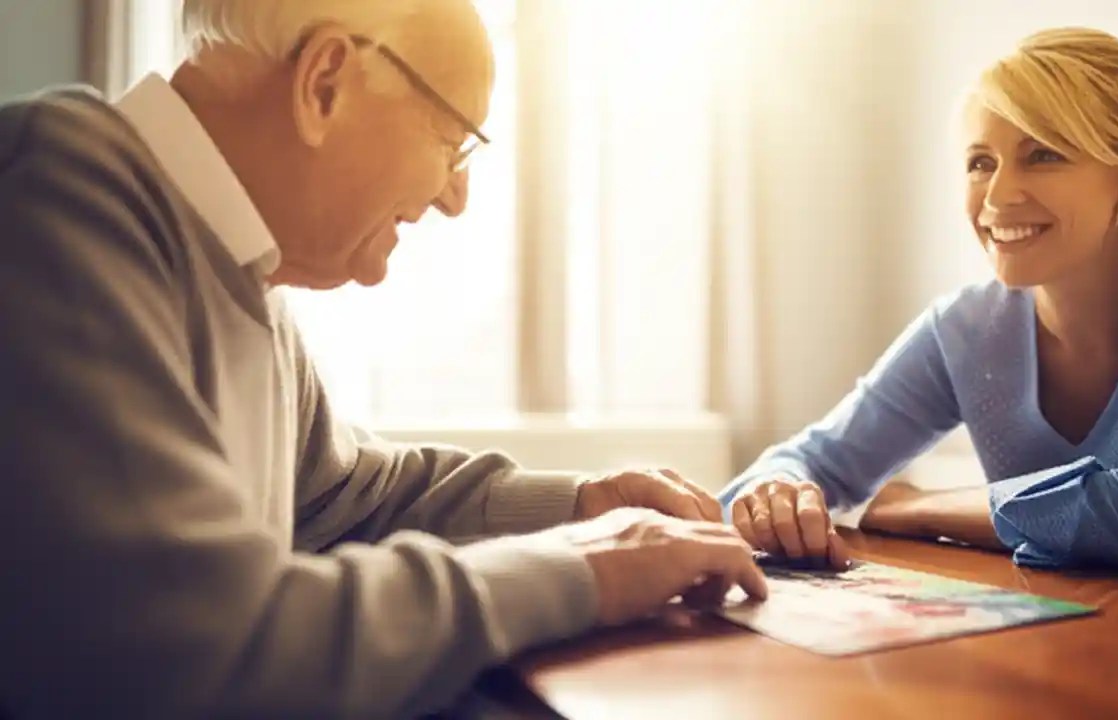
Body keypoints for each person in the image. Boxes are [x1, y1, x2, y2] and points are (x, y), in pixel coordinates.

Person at [0, 0, 767, 716]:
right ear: (325, 84)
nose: (456, 197)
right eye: (451, 139)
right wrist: (582, 568)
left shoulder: (233, 263)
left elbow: (344, 500)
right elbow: (207, 641)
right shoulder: (61, 187)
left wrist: (583, 506)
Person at [720, 27, 1118, 600]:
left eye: (1043, 154)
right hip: (1072, 638)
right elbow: (807, 461)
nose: (996, 196)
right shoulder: (964, 329)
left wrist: (921, 510)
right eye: (980, 162)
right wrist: (776, 493)